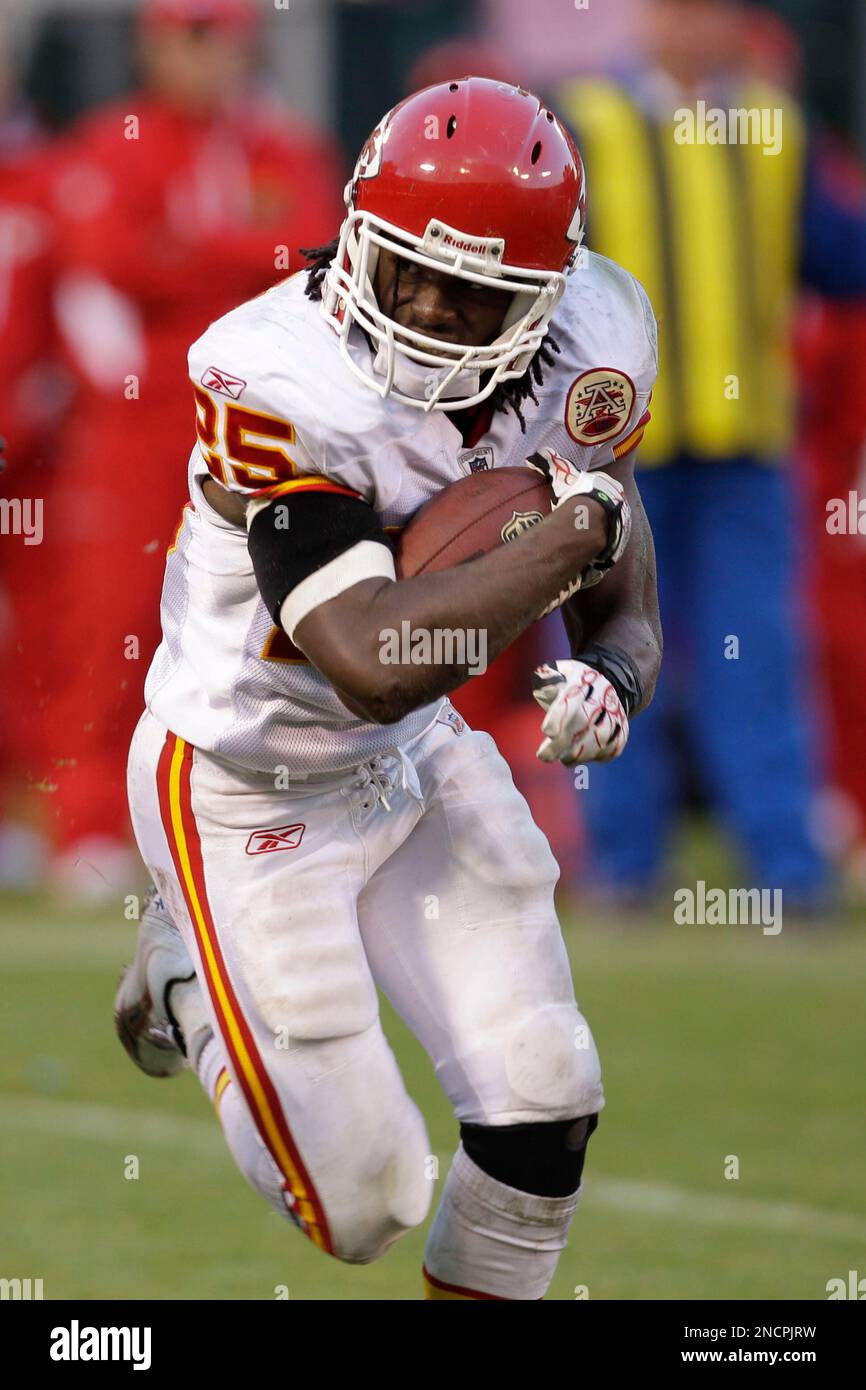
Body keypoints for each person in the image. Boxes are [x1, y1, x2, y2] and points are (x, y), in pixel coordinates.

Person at [115, 78, 662, 1301]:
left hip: (415, 755)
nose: (421, 307)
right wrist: (568, 536)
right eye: (403, 267)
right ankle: (184, 972)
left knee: (543, 1090)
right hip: (242, 783)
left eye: (467, 291)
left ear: (543, 295)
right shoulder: (277, 378)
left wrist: (613, 671)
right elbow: (367, 662)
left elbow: (614, 541)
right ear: (355, 228)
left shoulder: (594, 336)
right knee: (361, 1205)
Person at [556, 0, 866, 911]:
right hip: (612, 454)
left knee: (757, 653)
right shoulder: (581, 122)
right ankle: (622, 866)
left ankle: (786, 868)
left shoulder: (775, 131)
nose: (693, 29)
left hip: (744, 452)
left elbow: (837, 257)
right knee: (609, 652)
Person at [42, 0, 343, 897]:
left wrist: (191, 255)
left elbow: (312, 264)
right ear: (154, 41)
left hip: (258, 427)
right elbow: (104, 264)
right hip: (137, 429)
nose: (205, 55)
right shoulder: (114, 144)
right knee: (113, 625)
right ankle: (90, 828)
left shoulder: (286, 149)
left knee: (263, 628)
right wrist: (233, 259)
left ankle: (248, 820)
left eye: (220, 35)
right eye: (189, 34)